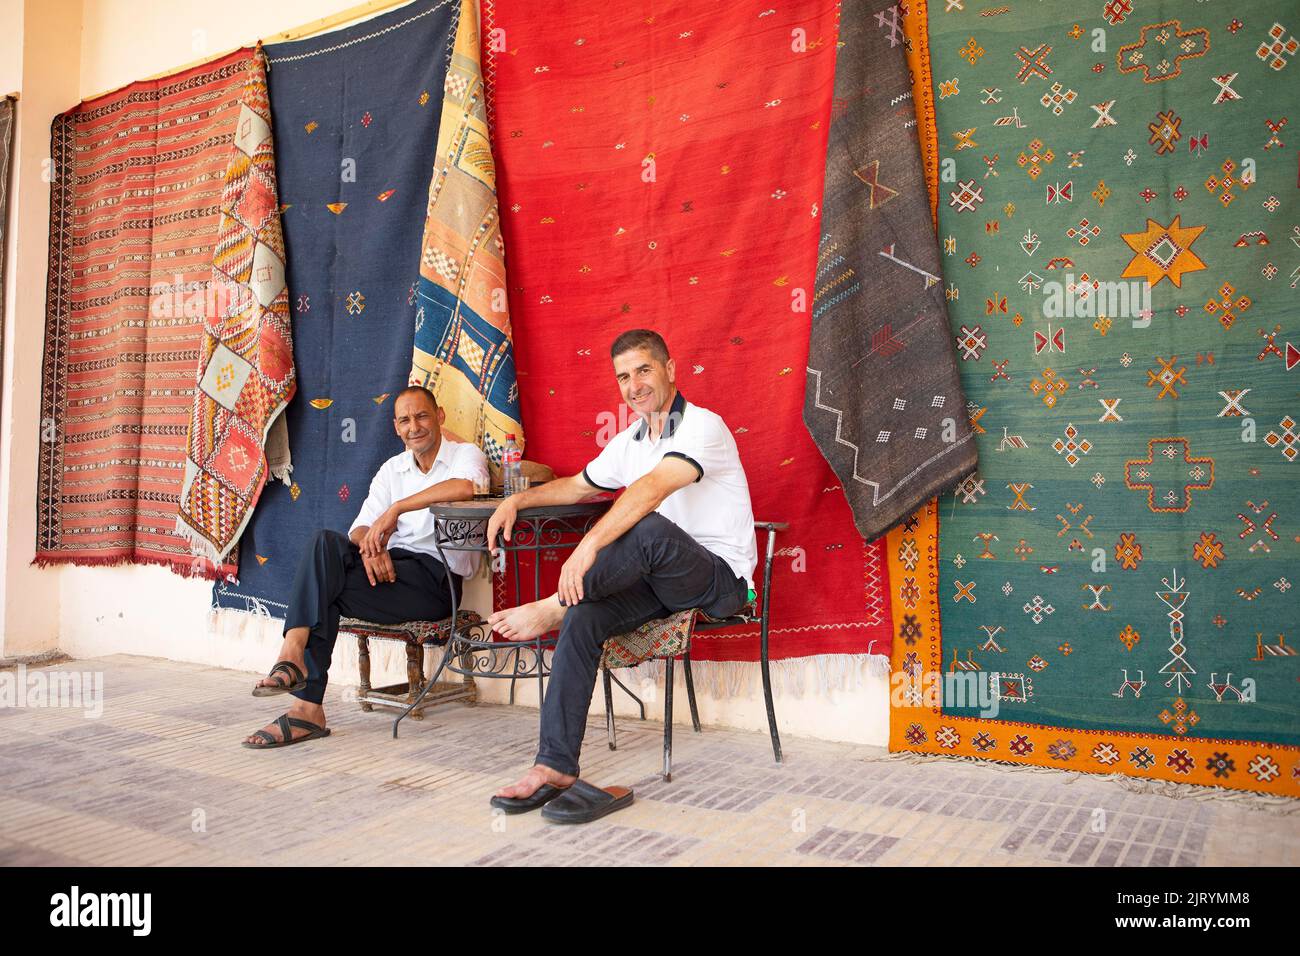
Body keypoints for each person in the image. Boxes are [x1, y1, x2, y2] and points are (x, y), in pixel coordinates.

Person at [486, 329, 756, 822]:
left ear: (671, 369)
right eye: (624, 376)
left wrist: (589, 544)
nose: (634, 385)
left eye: (644, 370)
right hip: (659, 584)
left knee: (649, 526)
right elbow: (577, 486)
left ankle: (551, 606)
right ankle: (555, 767)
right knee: (584, 617)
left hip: (719, 581)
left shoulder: (703, 426)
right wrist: (517, 498)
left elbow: (653, 489)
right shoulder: (630, 440)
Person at [242, 385, 489, 748]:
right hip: (390, 572)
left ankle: (304, 701)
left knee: (324, 588)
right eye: (404, 420)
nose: (414, 426)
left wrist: (397, 510)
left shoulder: (464, 456)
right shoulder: (393, 469)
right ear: (395, 427)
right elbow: (360, 527)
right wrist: (370, 546)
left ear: (439, 417)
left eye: (421, 416)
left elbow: (469, 487)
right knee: (325, 551)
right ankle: (296, 669)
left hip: (435, 581)